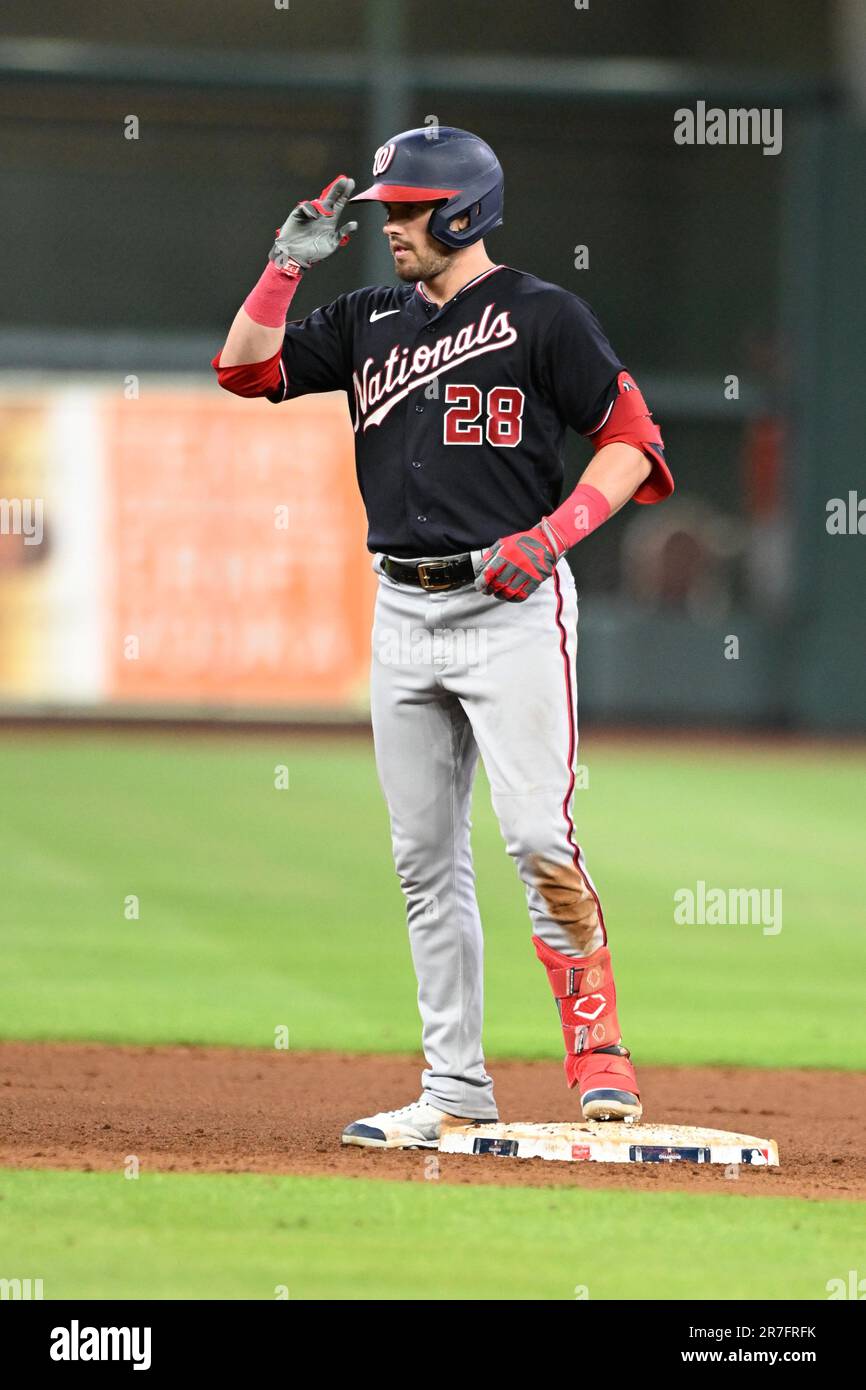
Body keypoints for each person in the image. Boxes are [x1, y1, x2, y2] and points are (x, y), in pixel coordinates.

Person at [213, 127, 674, 1150]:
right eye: (384, 210)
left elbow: (632, 446)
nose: (390, 227)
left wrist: (552, 537)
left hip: (508, 610)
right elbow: (242, 374)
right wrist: (287, 263)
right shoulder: (365, 317)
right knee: (423, 860)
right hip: (402, 610)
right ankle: (454, 1087)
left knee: (537, 838)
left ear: (462, 210)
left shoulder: (544, 315)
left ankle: (597, 1053)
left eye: (407, 209)